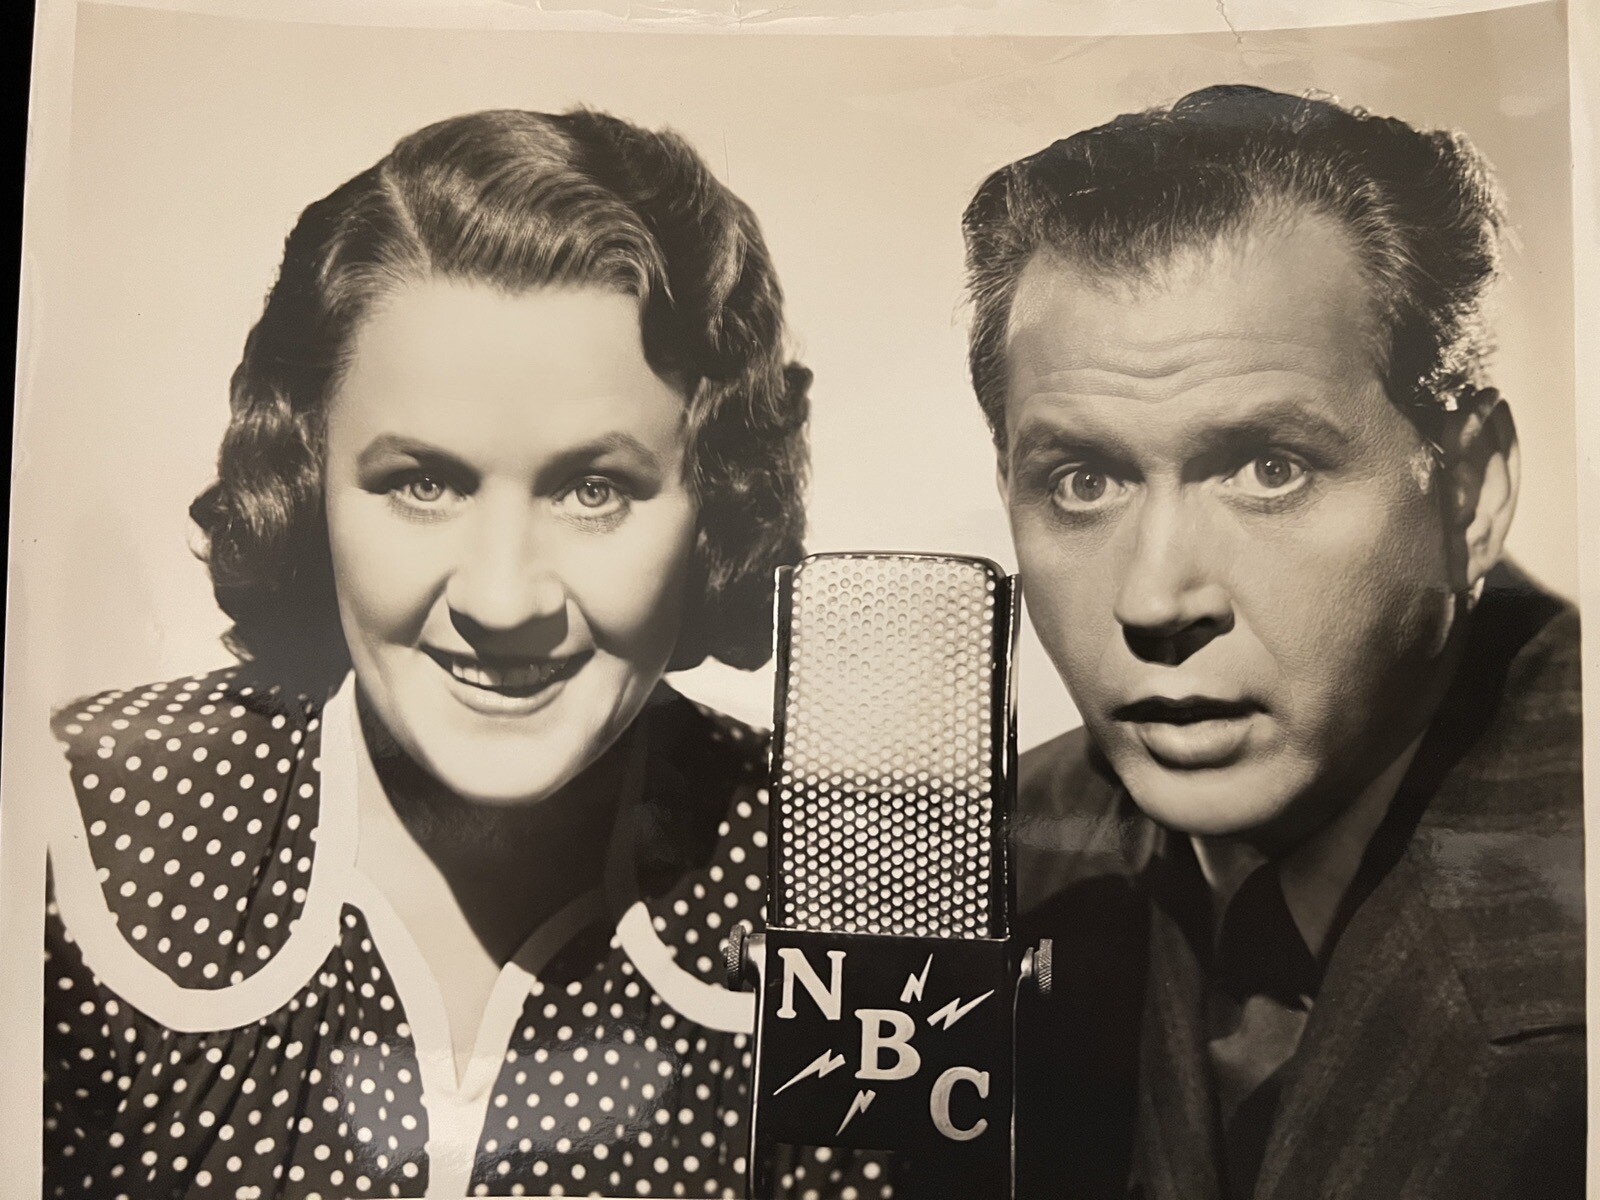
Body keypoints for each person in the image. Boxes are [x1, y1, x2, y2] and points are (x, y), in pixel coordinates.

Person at [41, 109, 889, 1200]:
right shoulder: (85, 825)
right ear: (308, 487)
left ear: (714, 508)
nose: (502, 600)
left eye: (594, 491)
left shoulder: (845, 881)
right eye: (421, 484)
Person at [961, 86, 1585, 1199]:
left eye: (1267, 468)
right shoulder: (979, 887)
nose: (1157, 600)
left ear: (1471, 492)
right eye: (1083, 481)